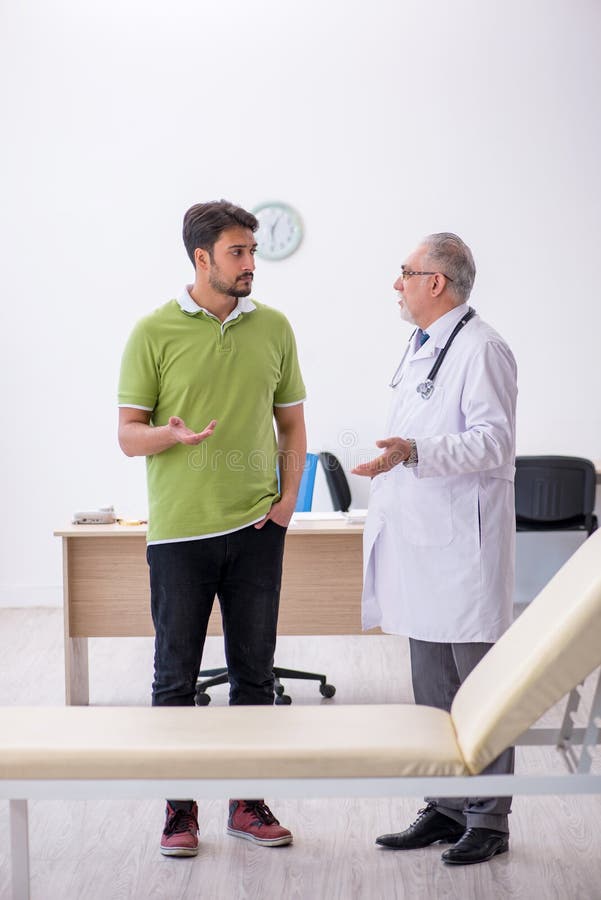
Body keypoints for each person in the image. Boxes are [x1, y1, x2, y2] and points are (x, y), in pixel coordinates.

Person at [118, 200, 307, 857]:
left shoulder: (275, 328)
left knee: (254, 676)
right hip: (179, 533)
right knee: (174, 678)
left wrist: (285, 504)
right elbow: (127, 434)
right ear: (201, 258)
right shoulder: (153, 332)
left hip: (257, 528)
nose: (251, 263)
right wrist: (164, 435)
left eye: (252, 251)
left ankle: (248, 804)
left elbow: (291, 425)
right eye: (237, 252)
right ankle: (179, 813)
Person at [353, 233, 517, 866]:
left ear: (437, 282)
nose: (397, 284)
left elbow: (494, 443)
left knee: (481, 690)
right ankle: (447, 808)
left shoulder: (482, 349)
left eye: (406, 273)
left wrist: (417, 453)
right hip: (424, 546)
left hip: (463, 550)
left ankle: (489, 818)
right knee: (431, 686)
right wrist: (404, 455)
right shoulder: (423, 346)